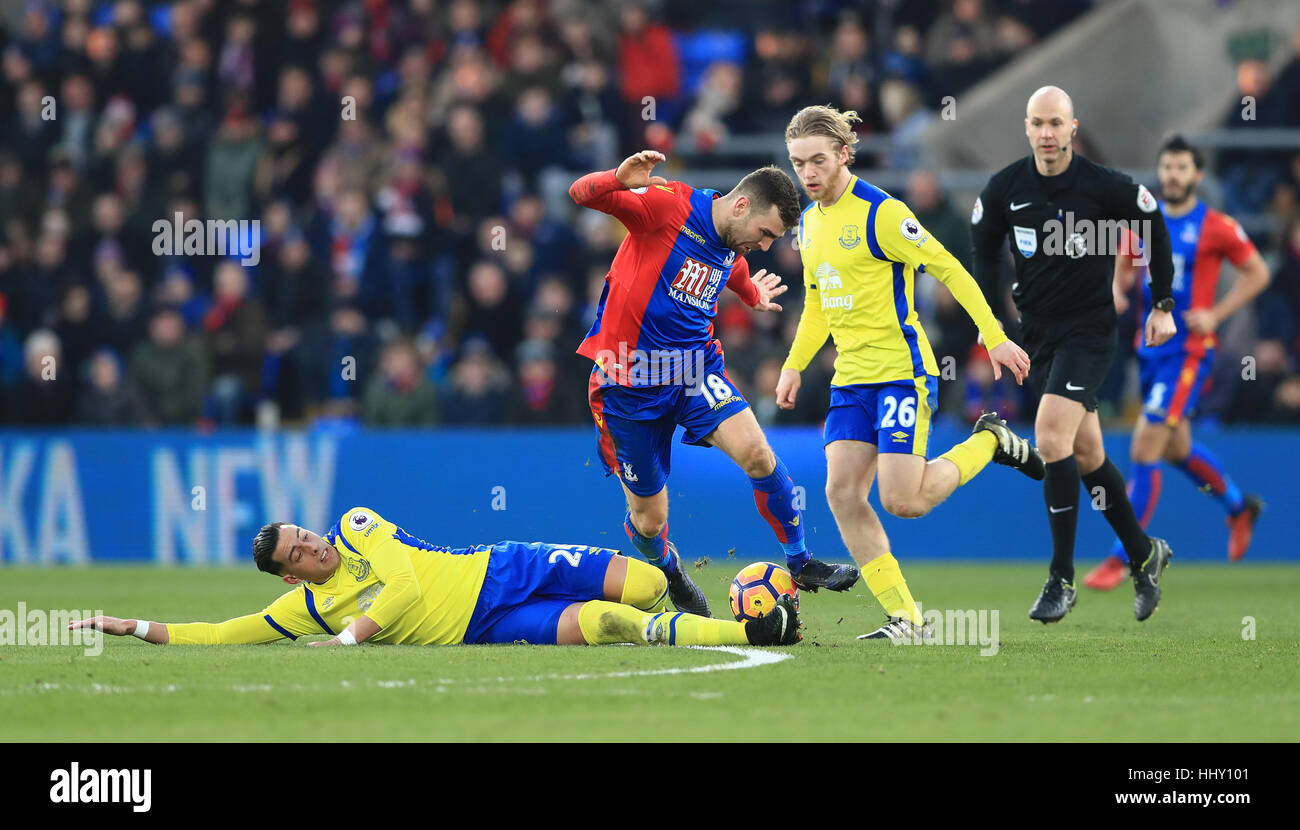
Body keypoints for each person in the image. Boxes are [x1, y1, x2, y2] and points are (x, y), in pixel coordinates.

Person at [776, 104, 1040, 640]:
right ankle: (908, 620)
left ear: (844, 154)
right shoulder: (807, 224)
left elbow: (949, 267)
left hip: (903, 372)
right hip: (850, 379)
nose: (807, 174)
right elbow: (819, 304)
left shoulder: (882, 213)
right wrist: (793, 366)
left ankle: (989, 442)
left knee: (903, 500)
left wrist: (994, 336)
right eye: (798, 162)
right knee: (842, 493)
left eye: (818, 160)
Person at [569, 150, 860, 618]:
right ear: (741, 207)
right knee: (649, 521)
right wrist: (617, 179)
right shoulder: (667, 207)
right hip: (628, 383)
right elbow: (580, 194)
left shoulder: (732, 243)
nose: (764, 246)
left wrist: (749, 294)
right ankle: (672, 572)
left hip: (693, 370)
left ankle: (801, 562)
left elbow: (731, 264)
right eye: (765, 234)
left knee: (758, 454)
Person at [971, 86, 1177, 623]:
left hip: (1089, 333)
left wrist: (1162, 302)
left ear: (1072, 128)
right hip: (1037, 336)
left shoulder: (1101, 186)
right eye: (1037, 123)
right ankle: (1143, 553)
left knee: (1049, 436)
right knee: (1085, 455)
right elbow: (983, 250)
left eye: (1055, 123)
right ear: (1026, 127)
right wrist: (991, 322)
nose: (1046, 133)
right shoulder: (1006, 188)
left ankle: (1061, 578)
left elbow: (1152, 222)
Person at [69, 507, 800, 648]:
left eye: (302, 533)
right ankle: (751, 626)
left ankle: (671, 570)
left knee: (641, 588)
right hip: (490, 625)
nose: (311, 546)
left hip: (502, 565)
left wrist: (353, 639)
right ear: (292, 580)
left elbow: (409, 591)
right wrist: (131, 627)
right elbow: (220, 632)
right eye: (298, 553)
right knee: (614, 624)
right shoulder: (309, 615)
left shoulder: (355, 526)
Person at [1083, 136, 1270, 589]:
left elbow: (1259, 272)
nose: (1172, 175)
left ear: (1197, 176)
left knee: (1144, 447)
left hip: (1189, 352)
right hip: (1150, 351)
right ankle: (1238, 506)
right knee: (1177, 449)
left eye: (1182, 168)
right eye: (1167, 166)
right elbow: (1125, 265)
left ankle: (1125, 556)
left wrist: (1217, 314)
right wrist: (1118, 288)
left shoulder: (1216, 226)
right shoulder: (1144, 222)